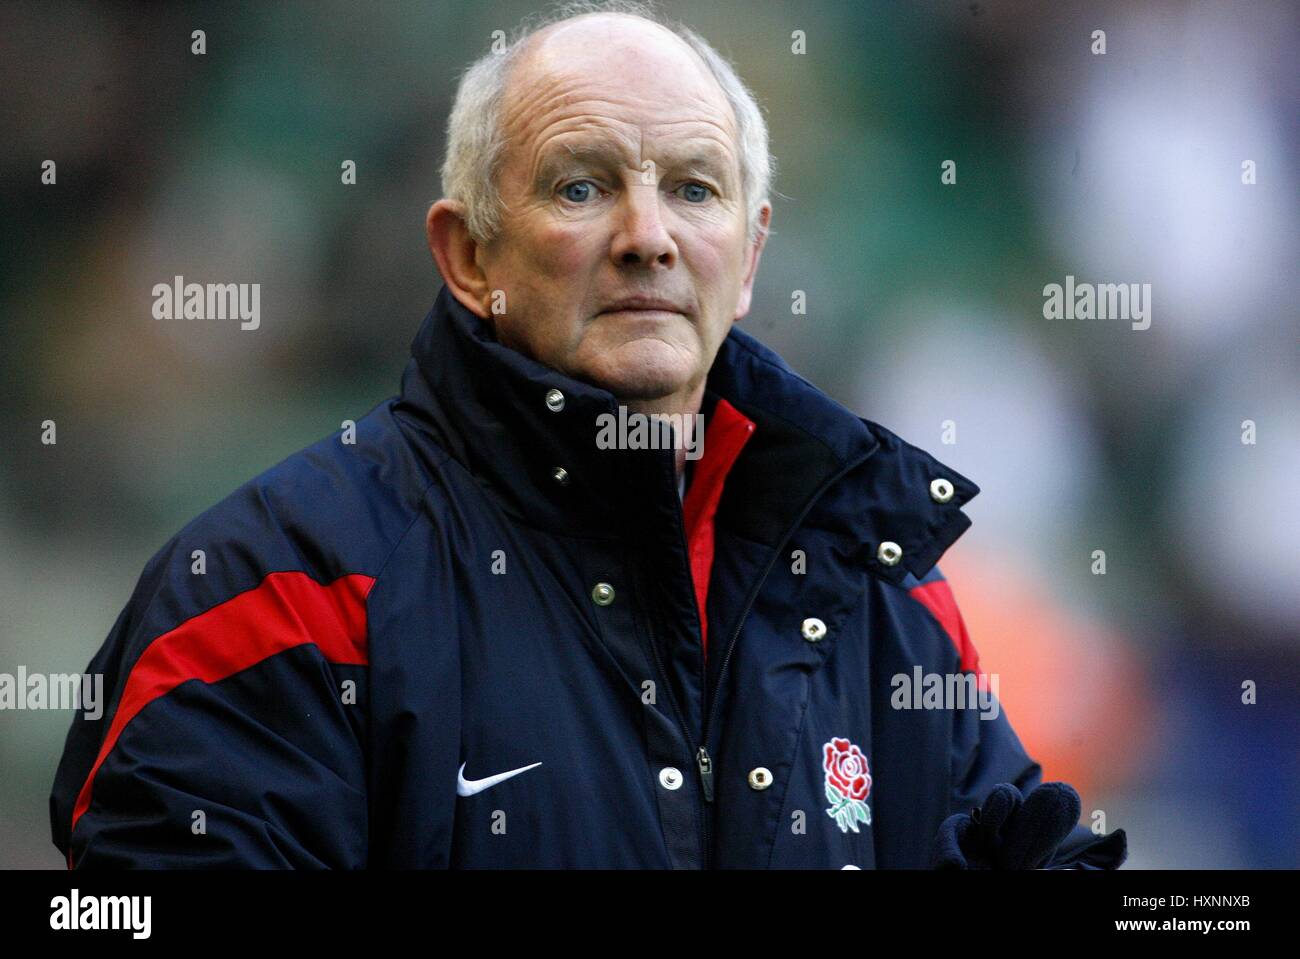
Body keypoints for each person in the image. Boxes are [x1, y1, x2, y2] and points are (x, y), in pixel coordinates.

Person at [50, 1, 1126, 869]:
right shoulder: (270, 587)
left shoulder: (882, 599)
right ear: (469, 255)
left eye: (694, 190)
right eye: (582, 185)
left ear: (747, 257)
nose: (647, 236)